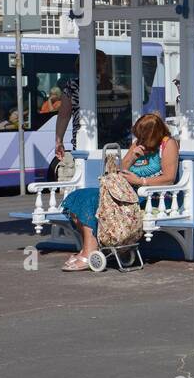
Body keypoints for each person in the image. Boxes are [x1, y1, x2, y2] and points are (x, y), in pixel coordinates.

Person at [60, 113, 179, 271]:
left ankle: (88, 253)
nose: (140, 140)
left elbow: (169, 178)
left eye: (143, 136)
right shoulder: (139, 143)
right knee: (80, 196)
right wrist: (132, 157)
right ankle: (89, 249)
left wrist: (140, 181)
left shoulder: (168, 144)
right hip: (125, 191)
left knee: (94, 200)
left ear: (153, 134)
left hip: (150, 195)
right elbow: (120, 169)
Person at [55, 50, 110, 164]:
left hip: (86, 142)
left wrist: (58, 141)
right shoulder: (113, 86)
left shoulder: (74, 85)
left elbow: (64, 115)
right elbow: (64, 115)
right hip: (110, 140)